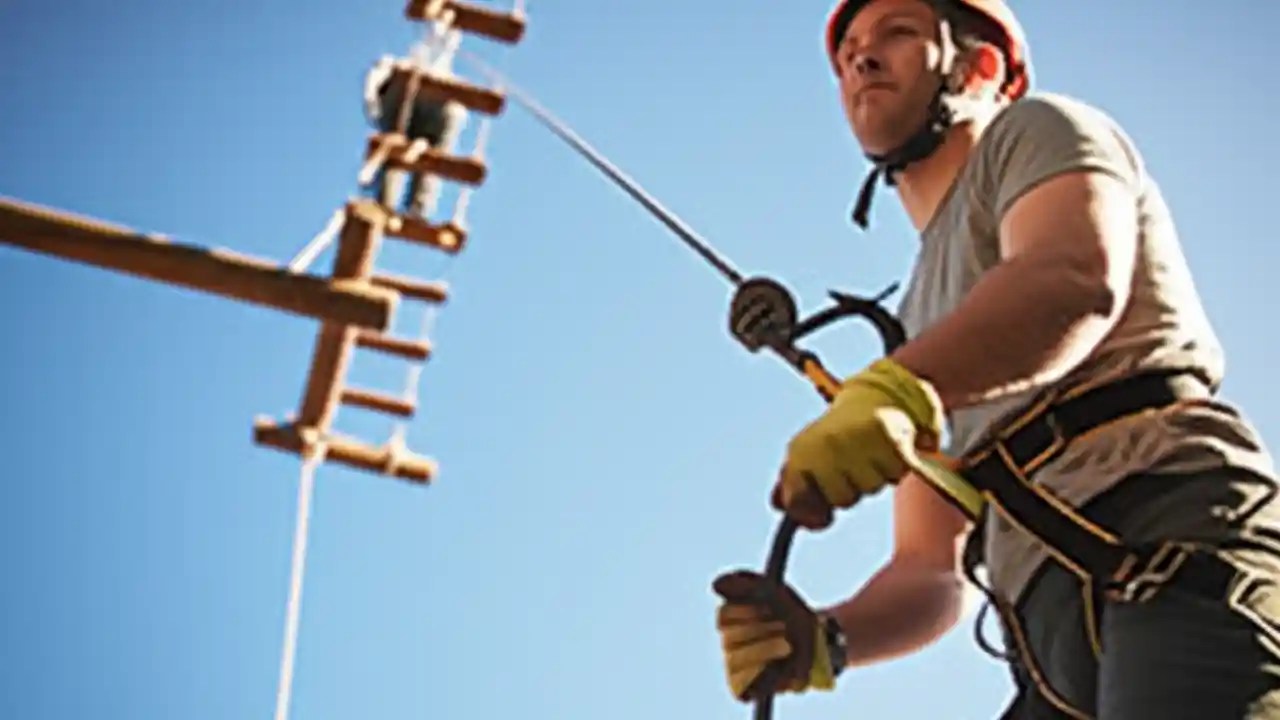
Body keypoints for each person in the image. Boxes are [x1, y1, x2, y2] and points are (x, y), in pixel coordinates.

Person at [711, 0, 1280, 717]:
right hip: (1042, 651)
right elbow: (928, 569)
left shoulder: (1039, 131)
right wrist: (827, 639)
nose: (861, 57)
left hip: (1169, 531)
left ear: (979, 65)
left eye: (898, 31)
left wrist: (901, 387)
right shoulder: (918, 320)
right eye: (850, 47)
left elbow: (1073, 280)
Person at [362, 23, 468, 219]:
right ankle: (415, 206)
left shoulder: (399, 64)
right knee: (420, 153)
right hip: (419, 105)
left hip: (418, 105)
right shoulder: (406, 63)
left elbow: (374, 83)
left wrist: (373, 104)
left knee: (403, 152)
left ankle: (392, 203)